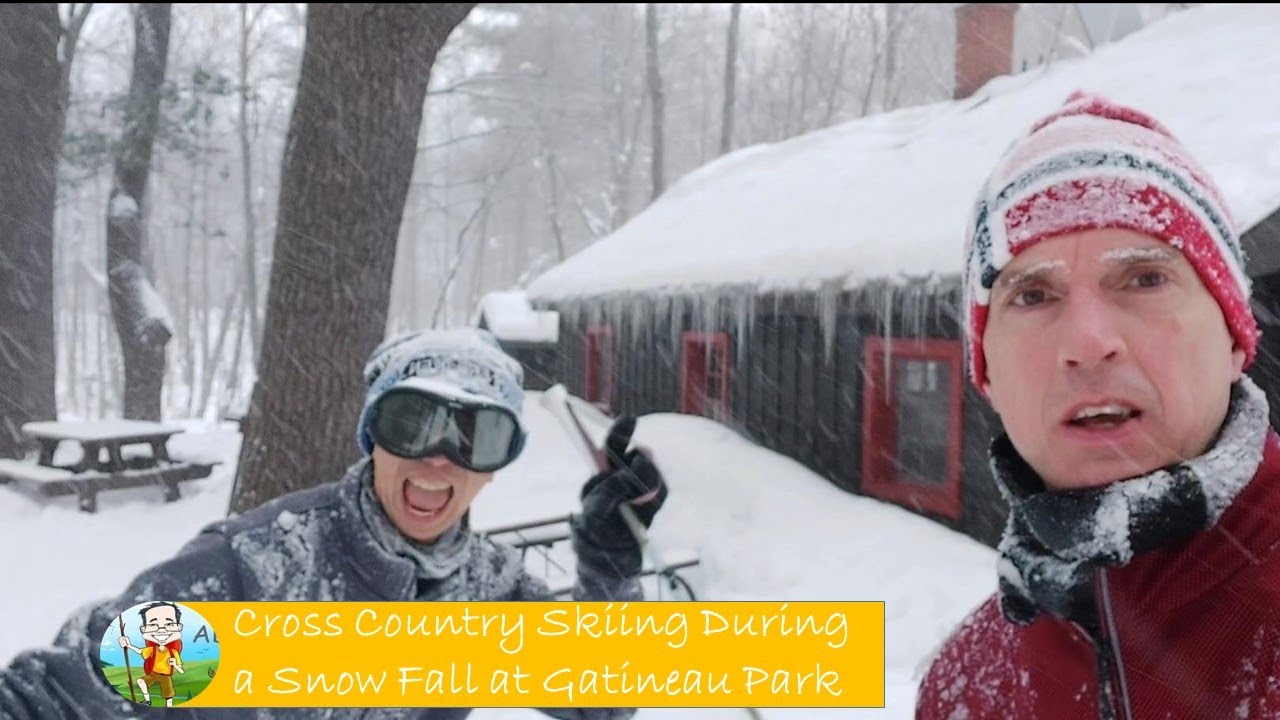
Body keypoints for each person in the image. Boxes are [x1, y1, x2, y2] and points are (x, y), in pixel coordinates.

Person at [0, 328, 667, 720]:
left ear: (495, 468)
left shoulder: (489, 594)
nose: (439, 459)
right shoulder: (258, 571)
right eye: (412, 425)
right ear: (374, 439)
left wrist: (609, 566)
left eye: (479, 437)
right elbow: (66, 698)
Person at [915, 91, 1280, 719]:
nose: (1087, 344)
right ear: (988, 373)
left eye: (1145, 279)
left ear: (1233, 338)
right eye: (1032, 296)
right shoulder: (966, 683)